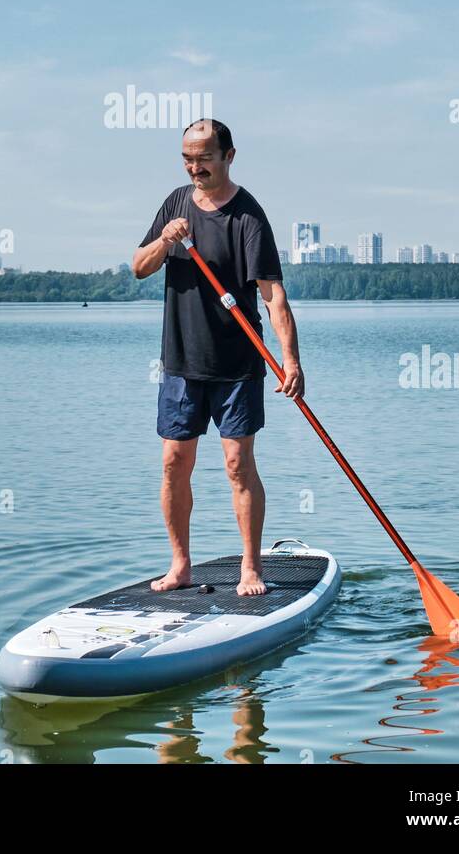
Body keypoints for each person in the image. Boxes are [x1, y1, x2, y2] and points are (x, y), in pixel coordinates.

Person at [132, 118, 303, 597]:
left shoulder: (248, 216)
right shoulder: (175, 203)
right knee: (173, 462)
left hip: (236, 364)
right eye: (187, 157)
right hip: (182, 363)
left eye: (204, 157)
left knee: (237, 464)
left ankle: (251, 567)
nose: (194, 167)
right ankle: (180, 565)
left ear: (228, 155)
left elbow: (273, 297)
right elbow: (138, 267)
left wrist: (290, 361)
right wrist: (166, 239)